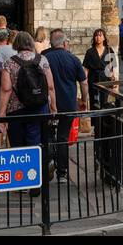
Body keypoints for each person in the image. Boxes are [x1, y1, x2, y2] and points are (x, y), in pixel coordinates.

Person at [0, 31, 56, 157]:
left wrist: (2, 114)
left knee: (18, 148)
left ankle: (20, 173)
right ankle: (36, 173)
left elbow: (6, 89)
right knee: (36, 145)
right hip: (39, 108)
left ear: (16, 44)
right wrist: (53, 108)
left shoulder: (9, 63)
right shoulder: (42, 60)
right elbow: (50, 86)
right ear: (30, 42)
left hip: (16, 111)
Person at [43, 29, 88, 183]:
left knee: (48, 136)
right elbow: (83, 82)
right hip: (69, 104)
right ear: (64, 43)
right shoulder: (73, 59)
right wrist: (84, 100)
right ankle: (62, 173)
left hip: (48, 105)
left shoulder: (44, 58)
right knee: (62, 137)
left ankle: (47, 166)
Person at [83, 28, 117, 110]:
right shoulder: (90, 52)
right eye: (96, 35)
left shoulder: (109, 50)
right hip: (93, 80)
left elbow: (113, 67)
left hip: (105, 80)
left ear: (104, 38)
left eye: (100, 35)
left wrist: (114, 80)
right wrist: (85, 82)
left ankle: (103, 121)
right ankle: (95, 122)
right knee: (94, 103)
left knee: (104, 103)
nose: (98, 37)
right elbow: (86, 69)